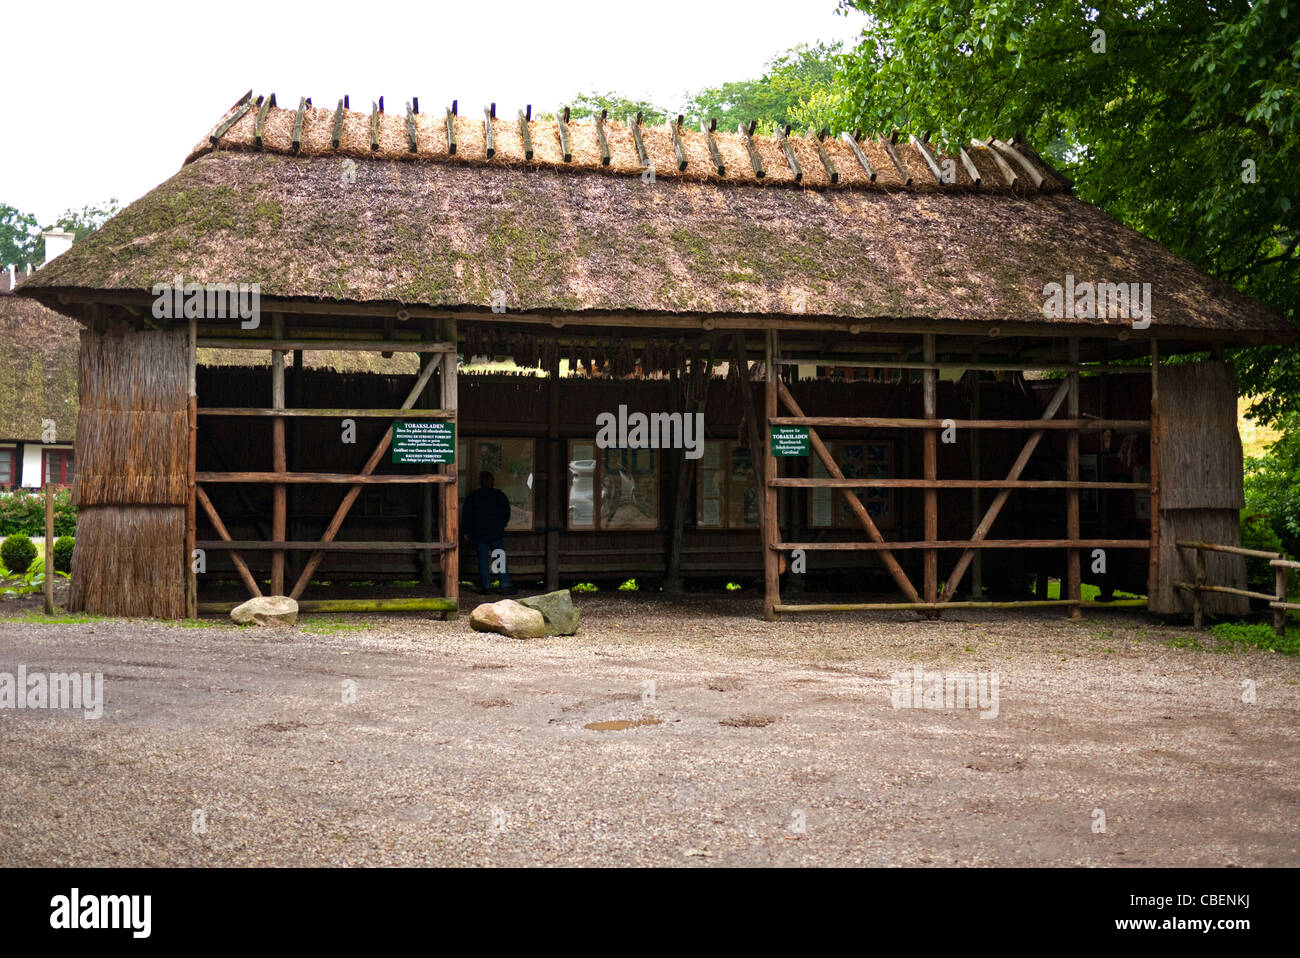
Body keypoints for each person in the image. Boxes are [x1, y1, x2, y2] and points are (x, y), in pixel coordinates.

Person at [461, 470, 514, 594]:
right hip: (496, 533)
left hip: (479, 534)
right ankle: (504, 584)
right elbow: (506, 513)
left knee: (483, 560)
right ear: (492, 482)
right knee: (499, 557)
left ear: (480, 482)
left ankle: (486, 586)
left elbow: (467, 515)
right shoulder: (499, 496)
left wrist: (467, 530)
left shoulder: (474, 496)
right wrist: (502, 524)